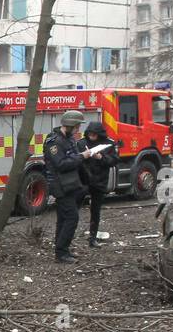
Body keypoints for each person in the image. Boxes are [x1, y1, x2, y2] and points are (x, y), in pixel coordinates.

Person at [43, 110, 93, 264]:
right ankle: (61, 252)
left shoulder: (70, 139)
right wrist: (81, 157)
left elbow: (72, 159)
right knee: (72, 217)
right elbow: (61, 164)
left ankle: (62, 250)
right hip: (60, 185)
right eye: (77, 126)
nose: (78, 129)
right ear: (70, 124)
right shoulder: (54, 142)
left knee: (64, 218)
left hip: (71, 184)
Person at [77, 122, 119, 248]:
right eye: (90, 134)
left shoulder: (108, 143)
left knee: (95, 211)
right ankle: (70, 234)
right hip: (83, 180)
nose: (91, 137)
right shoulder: (81, 143)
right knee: (74, 208)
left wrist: (101, 157)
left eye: (94, 135)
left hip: (99, 180)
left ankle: (93, 237)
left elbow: (114, 160)